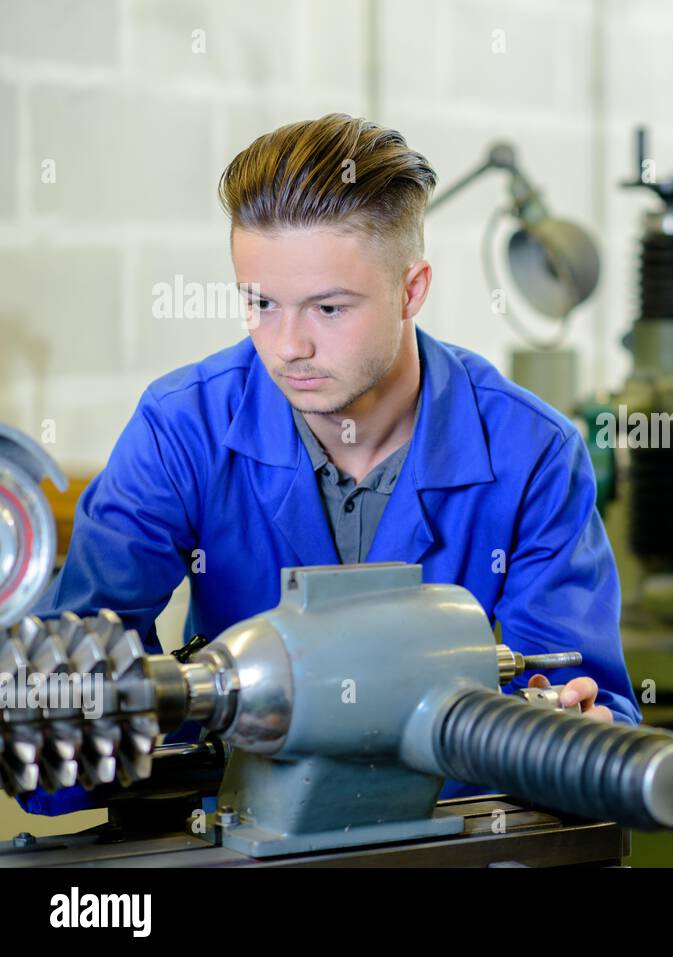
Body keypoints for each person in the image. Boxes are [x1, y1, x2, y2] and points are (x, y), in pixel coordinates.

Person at [20, 114, 638, 815]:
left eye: (329, 307)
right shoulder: (182, 428)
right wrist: (90, 731)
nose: (287, 346)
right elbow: (63, 719)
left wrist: (580, 733)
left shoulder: (533, 454)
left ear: (412, 289)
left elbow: (589, 709)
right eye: (260, 303)